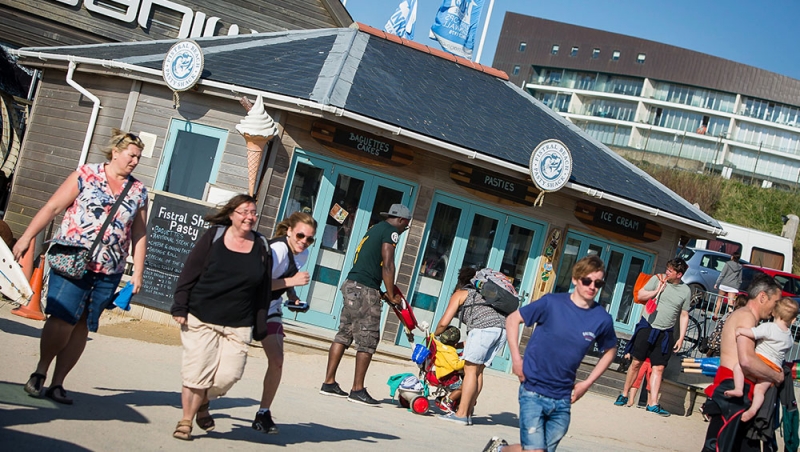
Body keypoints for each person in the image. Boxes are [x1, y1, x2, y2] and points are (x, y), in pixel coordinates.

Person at [15, 129, 148, 405]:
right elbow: (53, 207)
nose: (135, 161)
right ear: (115, 152)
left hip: (109, 269)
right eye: (131, 155)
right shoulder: (86, 174)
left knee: (83, 324)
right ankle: (40, 371)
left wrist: (137, 272)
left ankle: (58, 383)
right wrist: (26, 237)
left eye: (138, 157)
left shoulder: (138, 191)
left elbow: (139, 233)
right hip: (74, 259)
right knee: (62, 318)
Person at [481, 255, 617, 452]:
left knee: (537, 450)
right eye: (587, 281)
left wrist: (587, 383)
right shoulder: (551, 303)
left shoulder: (602, 319)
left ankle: (499, 449)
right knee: (536, 451)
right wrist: (516, 359)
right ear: (575, 279)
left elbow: (610, 351)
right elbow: (512, 320)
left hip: (562, 398)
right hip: (533, 390)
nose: (592, 287)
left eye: (598, 283)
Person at [170, 194, 272, 441]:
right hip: (202, 316)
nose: (249, 217)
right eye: (244, 212)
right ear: (231, 214)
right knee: (197, 372)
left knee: (229, 375)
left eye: (253, 212)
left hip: (239, 322)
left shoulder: (262, 245)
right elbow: (189, 271)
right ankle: (186, 420)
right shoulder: (214, 236)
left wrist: (261, 324)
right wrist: (180, 306)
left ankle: (204, 401)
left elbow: (264, 289)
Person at [319, 203, 412, 405]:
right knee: (368, 338)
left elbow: (369, 262)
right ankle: (357, 389)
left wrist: (382, 291)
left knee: (344, 334)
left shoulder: (375, 228)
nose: (405, 229)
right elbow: (388, 264)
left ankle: (329, 382)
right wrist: (391, 294)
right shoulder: (391, 232)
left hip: (352, 284)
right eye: (406, 225)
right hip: (364, 289)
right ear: (401, 220)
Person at [702, 273, 783, 452]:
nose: (776, 309)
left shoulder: (748, 318)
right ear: (762, 297)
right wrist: (776, 375)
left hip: (737, 395)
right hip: (732, 395)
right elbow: (746, 360)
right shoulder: (746, 317)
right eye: (776, 302)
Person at [252, 211, 317, 434]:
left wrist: (292, 295)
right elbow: (259, 283)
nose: (304, 242)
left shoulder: (302, 254)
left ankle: (263, 413)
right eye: (300, 236)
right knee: (230, 363)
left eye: (309, 239)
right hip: (250, 305)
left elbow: (285, 279)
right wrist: (292, 281)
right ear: (289, 231)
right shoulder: (277, 250)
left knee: (277, 360)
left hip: (271, 307)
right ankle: (203, 399)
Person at [613, 257, 691, 417]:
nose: (667, 272)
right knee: (636, 362)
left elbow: (684, 315)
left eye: (671, 271)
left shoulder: (686, 291)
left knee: (659, 367)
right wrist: (657, 291)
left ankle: (653, 404)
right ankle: (624, 394)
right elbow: (641, 295)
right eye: (667, 269)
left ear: (679, 274)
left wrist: (681, 337)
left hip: (666, 332)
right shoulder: (658, 279)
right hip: (647, 327)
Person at [434, 266, 508, 425]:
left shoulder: (461, 293)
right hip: (502, 329)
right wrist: (458, 345)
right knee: (478, 372)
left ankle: (461, 414)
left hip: (484, 329)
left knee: (470, 371)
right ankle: (467, 412)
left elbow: (444, 323)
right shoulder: (485, 294)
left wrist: (435, 335)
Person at [724, 297, 797, 422]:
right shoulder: (789, 337)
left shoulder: (769, 327)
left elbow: (753, 333)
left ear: (773, 312)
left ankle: (738, 389)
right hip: (774, 367)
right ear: (793, 319)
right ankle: (753, 410)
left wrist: (740, 331)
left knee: (738, 368)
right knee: (760, 391)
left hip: (760, 360)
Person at [432, 325, 465, 413]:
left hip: (441, 374)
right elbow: (456, 365)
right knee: (464, 388)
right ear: (455, 343)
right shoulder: (450, 351)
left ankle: (442, 399)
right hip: (450, 378)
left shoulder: (439, 346)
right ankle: (448, 400)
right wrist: (466, 362)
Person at [713, 251, 743, 320]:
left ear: (732, 257)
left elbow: (722, 274)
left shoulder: (728, 264)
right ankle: (730, 318)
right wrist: (737, 287)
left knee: (719, 300)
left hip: (724, 284)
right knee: (730, 302)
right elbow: (740, 279)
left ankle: (715, 315)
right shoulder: (740, 267)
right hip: (733, 287)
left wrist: (717, 283)